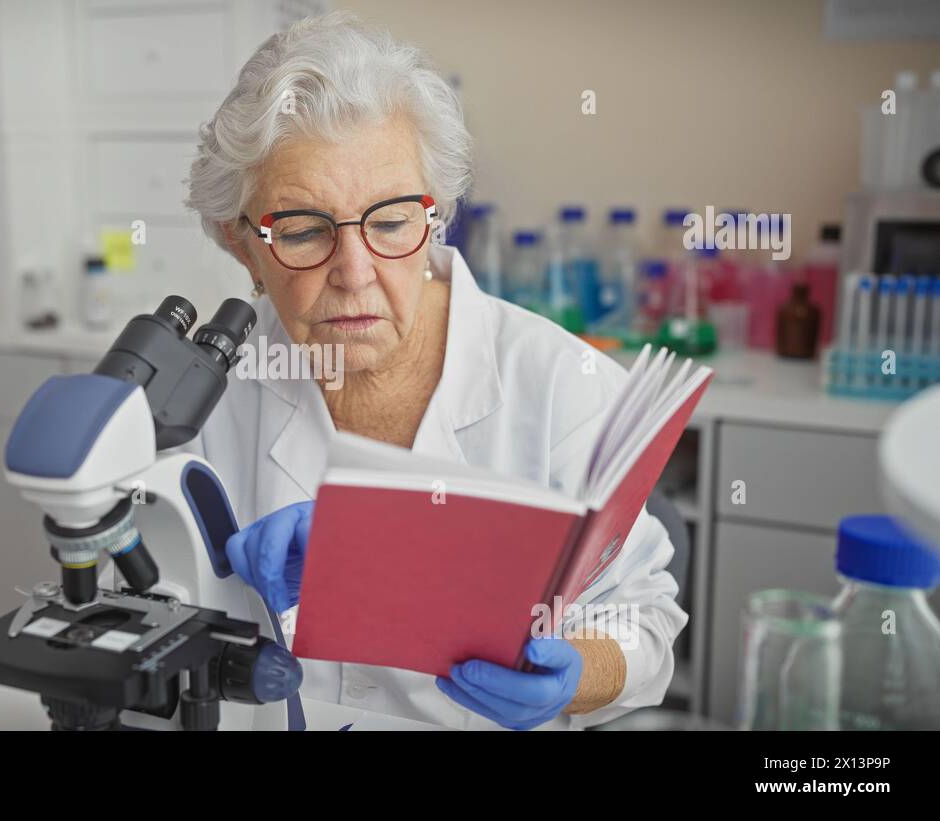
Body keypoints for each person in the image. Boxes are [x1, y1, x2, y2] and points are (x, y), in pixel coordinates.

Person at [181, 11, 686, 730]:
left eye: (389, 223)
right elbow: (139, 603)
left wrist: (571, 673)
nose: (354, 274)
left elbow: (644, 618)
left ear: (437, 216)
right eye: (301, 231)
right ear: (242, 245)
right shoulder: (205, 389)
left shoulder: (561, 384)